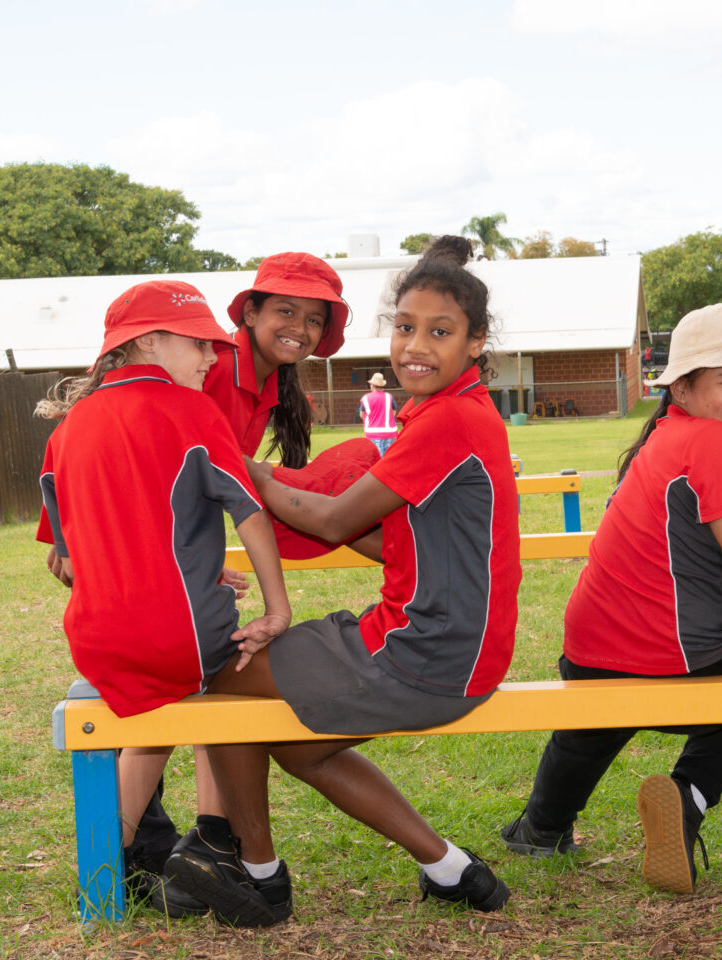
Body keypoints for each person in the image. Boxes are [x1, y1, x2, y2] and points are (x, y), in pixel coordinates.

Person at [162, 236, 520, 919]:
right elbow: (386, 539)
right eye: (405, 327)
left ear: (475, 344)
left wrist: (251, 474)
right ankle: (450, 869)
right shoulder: (452, 413)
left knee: (222, 671)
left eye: (440, 332)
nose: (416, 345)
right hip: (455, 643)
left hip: (425, 649)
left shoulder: (448, 423)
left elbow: (330, 522)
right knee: (302, 748)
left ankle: (256, 875)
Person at [499, 304, 722, 894]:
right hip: (673, 655)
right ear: (682, 388)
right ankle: (685, 802)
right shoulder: (711, 442)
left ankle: (541, 828)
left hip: (588, 649)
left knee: (587, 731)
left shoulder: (661, 440)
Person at [127, 252, 378, 918]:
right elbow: (149, 445)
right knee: (165, 703)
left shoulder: (265, 382)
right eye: (286, 310)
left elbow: (217, 479)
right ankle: (122, 856)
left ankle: (210, 840)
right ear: (251, 312)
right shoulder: (214, 370)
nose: (298, 327)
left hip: (186, 546)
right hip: (153, 549)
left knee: (217, 685)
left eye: (314, 318)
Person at [34, 280, 293, 921]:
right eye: (199, 343)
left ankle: (103, 869)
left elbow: (65, 560)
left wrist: (193, 571)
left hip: (96, 636)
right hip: (177, 631)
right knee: (224, 680)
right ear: (147, 342)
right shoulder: (191, 411)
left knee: (157, 716)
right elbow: (251, 514)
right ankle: (213, 838)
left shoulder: (67, 430)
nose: (211, 357)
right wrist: (276, 608)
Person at [358, 371, 399, 455]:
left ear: (372, 385)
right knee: (389, 458)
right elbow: (394, 411)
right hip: (390, 433)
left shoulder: (366, 398)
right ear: (382, 386)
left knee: (376, 460)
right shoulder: (389, 396)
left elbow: (361, 414)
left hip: (372, 433)